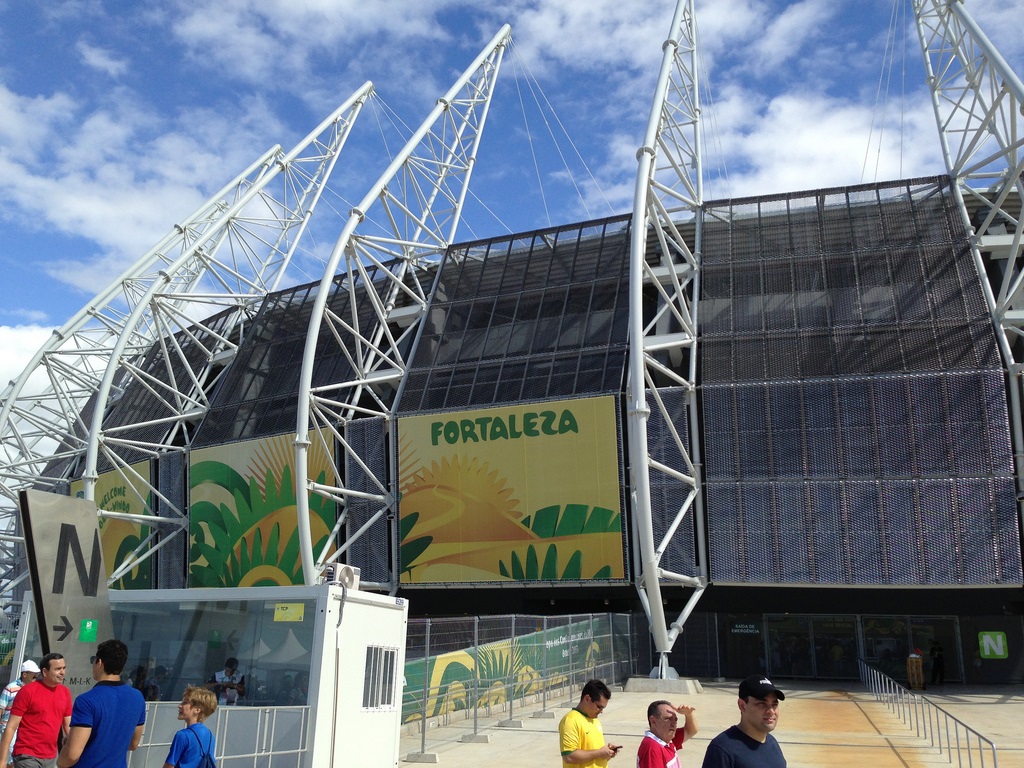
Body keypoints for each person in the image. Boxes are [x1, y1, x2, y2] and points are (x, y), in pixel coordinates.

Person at [57, 639, 146, 768]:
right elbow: (133, 744)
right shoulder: (138, 697)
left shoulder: (86, 701)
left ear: (99, 663)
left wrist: (60, 761)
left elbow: (72, 755)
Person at [0, 653, 72, 768]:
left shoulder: (65, 692)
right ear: (45, 672)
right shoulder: (27, 691)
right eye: (58, 669)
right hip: (27, 755)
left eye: (64, 668)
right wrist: (2, 761)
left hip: (51, 757)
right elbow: (11, 726)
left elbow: (68, 727)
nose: (62, 672)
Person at [701, 675, 787, 768]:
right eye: (762, 703)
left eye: (774, 704)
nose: (771, 711)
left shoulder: (772, 743)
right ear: (742, 706)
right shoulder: (723, 750)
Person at [558, 678, 621, 767]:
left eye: (603, 708)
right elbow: (569, 756)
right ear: (587, 699)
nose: (601, 711)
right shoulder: (570, 721)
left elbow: (594, 756)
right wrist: (599, 753)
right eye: (599, 707)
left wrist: (607, 753)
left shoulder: (595, 721)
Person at [161, 685, 217, 768]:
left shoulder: (182, 735)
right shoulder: (211, 736)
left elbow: (169, 765)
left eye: (185, 703)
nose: (180, 706)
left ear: (197, 710)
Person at [638, 700, 698, 768]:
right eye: (669, 719)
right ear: (653, 721)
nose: (674, 724)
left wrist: (688, 714)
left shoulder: (666, 739)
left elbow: (690, 731)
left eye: (675, 720)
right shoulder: (652, 749)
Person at [1, 660, 40, 739]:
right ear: (25, 674)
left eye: (37, 674)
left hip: (25, 730)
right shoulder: (11, 688)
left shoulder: (36, 690)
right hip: (8, 728)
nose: (36, 676)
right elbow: (1, 708)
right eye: (34, 674)